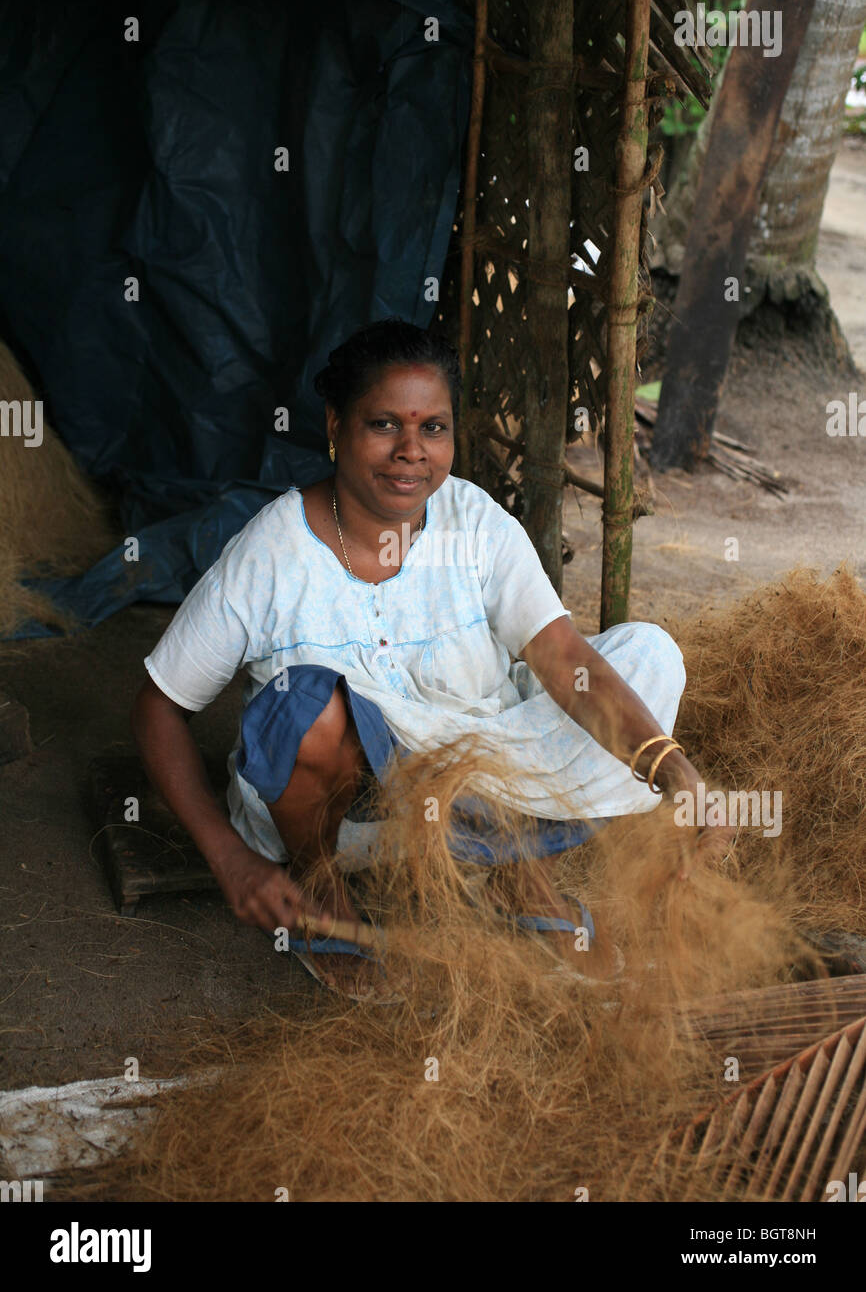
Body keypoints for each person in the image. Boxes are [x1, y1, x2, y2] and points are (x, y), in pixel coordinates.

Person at [132, 318, 714, 999]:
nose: (411, 451)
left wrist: (671, 765)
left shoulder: (474, 521)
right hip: (360, 822)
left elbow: (559, 653)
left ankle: (518, 871)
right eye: (384, 425)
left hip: (488, 779)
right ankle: (324, 898)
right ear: (335, 426)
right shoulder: (271, 555)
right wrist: (228, 858)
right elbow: (158, 707)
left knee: (649, 651)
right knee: (305, 706)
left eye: (433, 428)